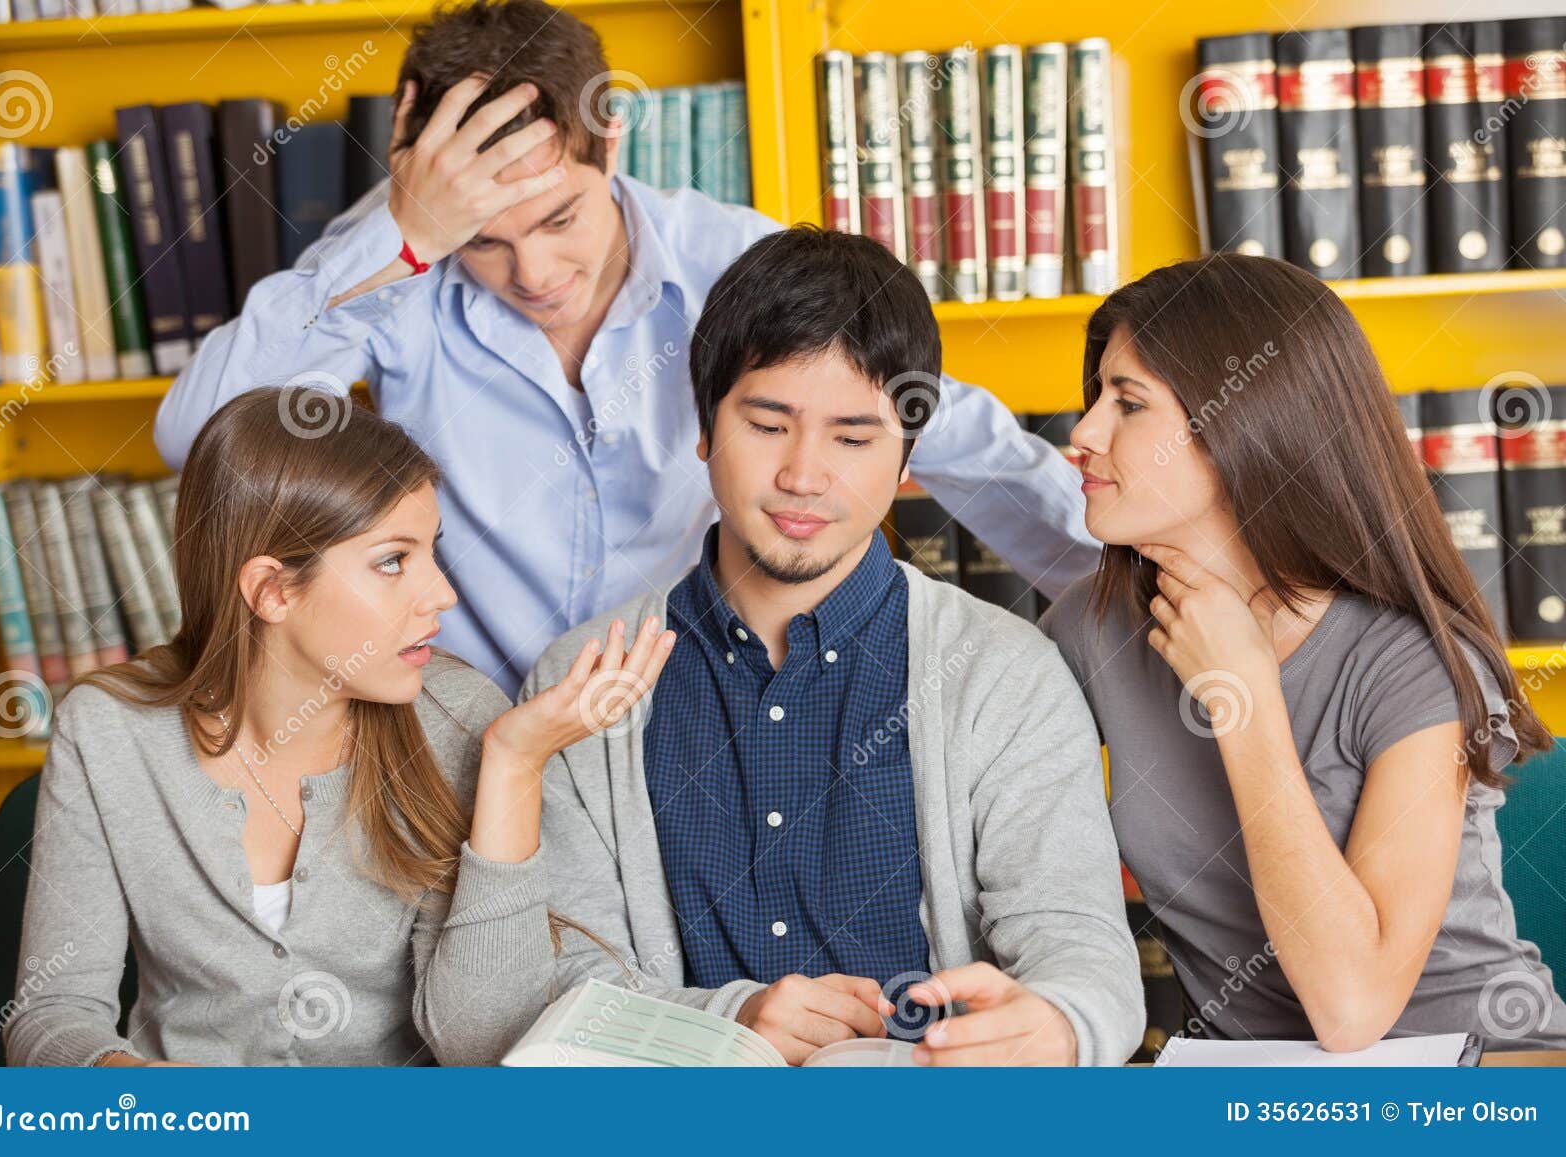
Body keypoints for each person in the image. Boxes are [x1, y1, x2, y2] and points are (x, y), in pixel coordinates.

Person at [152, 0, 1097, 697]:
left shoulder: (732, 258)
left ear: (612, 134)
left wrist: (1129, 598)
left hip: (686, 727)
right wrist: (401, 235)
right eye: (485, 239)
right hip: (472, 740)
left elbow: (945, 428)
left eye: (560, 217)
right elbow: (198, 439)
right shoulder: (399, 260)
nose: (533, 270)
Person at [477, 228, 1142, 1066]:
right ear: (704, 428)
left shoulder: (1005, 674)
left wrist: (1058, 1023)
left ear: (907, 456)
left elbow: (1082, 949)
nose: (803, 474)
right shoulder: (580, 680)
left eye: (853, 438)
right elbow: (562, 985)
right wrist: (731, 1015)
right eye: (767, 423)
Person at [6, 387, 672, 1066]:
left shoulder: (459, 716)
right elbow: (54, 1013)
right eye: (393, 560)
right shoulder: (107, 730)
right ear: (272, 589)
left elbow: (484, 1042)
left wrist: (514, 763)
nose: (443, 593)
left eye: (430, 552)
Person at [1040, 252, 1566, 1052]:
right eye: (1095, 398)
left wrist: (1240, 693)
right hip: (1258, 1092)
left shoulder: (1413, 657)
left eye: (1128, 403)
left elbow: (1354, 1010)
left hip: (1477, 1067)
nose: (1081, 434)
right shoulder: (1092, 626)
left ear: (1239, 425)